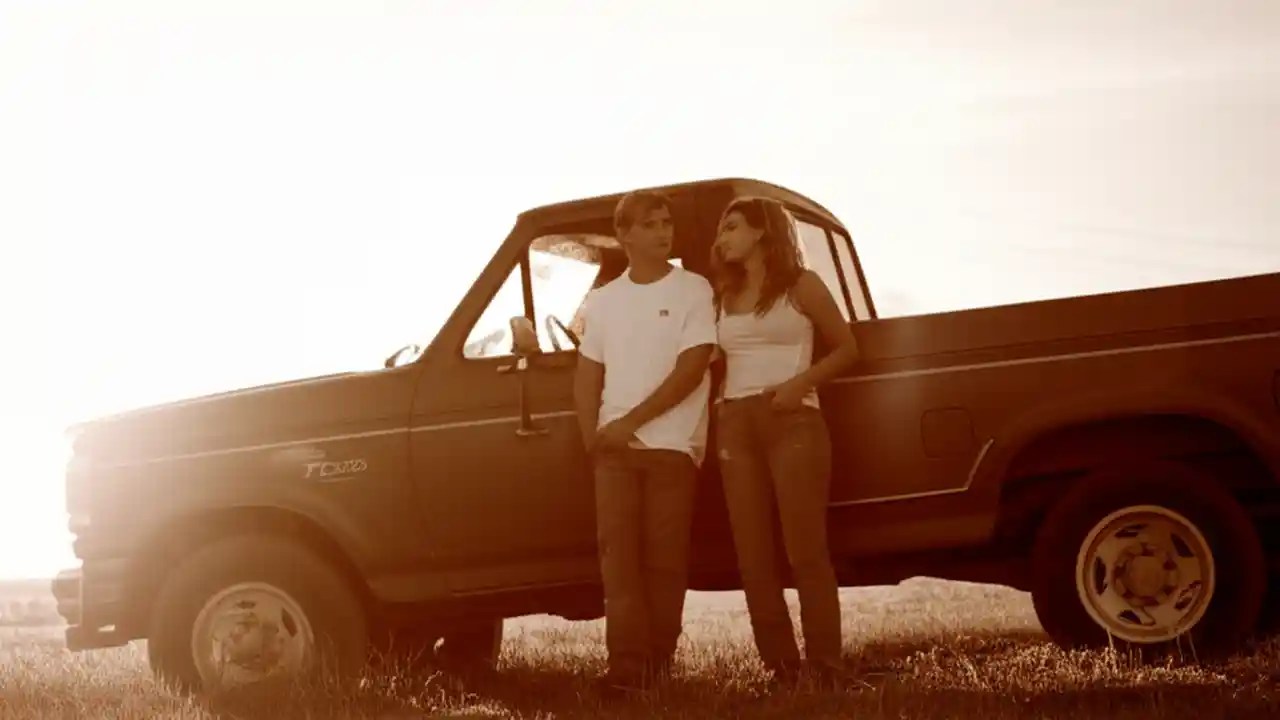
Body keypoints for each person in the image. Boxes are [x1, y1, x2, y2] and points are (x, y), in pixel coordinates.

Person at [708, 195, 861, 685]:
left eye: (732, 227)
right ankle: (781, 668)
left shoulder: (801, 286)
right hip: (736, 422)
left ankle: (826, 666)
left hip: (792, 420)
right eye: (722, 230)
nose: (722, 238)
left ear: (761, 231)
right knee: (752, 554)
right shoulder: (722, 295)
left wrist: (800, 385)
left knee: (805, 551)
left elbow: (848, 348)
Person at [573, 189, 717, 692]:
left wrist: (629, 423)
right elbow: (587, 374)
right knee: (619, 564)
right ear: (625, 234)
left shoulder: (693, 289)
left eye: (666, 223)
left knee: (663, 561)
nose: (664, 232)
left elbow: (693, 368)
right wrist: (591, 437)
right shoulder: (604, 300)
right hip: (613, 450)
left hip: (672, 446)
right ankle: (626, 668)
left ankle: (658, 664)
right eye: (652, 224)